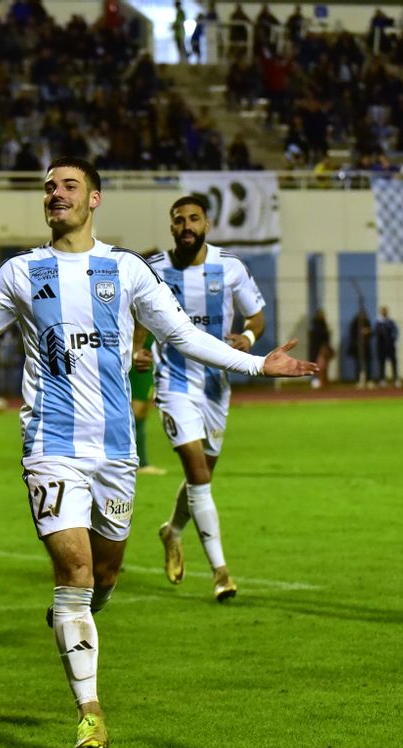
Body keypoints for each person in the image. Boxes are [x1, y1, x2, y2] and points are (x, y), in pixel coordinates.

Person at [0, 157, 316, 748]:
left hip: (114, 451)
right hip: (51, 447)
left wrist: (259, 364)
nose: (56, 193)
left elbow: (182, 337)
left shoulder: (127, 270)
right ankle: (91, 713)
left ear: (95, 199)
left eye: (68, 185)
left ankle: (72, 621)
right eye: (49, 187)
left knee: (103, 576)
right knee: (76, 572)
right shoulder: (22, 272)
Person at [142, 195, 266, 603]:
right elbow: (135, 316)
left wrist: (247, 338)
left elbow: (256, 317)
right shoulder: (155, 270)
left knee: (203, 476)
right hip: (174, 383)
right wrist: (136, 350)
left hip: (216, 386)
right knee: (197, 473)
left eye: (193, 218)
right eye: (178, 220)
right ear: (172, 227)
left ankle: (172, 530)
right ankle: (220, 572)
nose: (186, 226)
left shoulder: (229, 267)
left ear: (207, 224)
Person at [130, 331, 166, 476]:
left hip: (147, 354)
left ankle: (141, 462)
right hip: (138, 355)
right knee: (136, 411)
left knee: (141, 411)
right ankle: (132, 460)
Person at [374, 305, 400, 387]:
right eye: (383, 311)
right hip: (381, 346)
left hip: (390, 345)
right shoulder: (378, 322)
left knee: (393, 362)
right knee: (382, 363)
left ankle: (396, 379)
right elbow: (375, 333)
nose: (384, 312)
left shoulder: (391, 322)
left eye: (385, 311)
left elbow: (396, 331)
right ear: (380, 312)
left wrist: (394, 339)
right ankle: (382, 380)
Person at [347, 307, 372, 387]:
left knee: (368, 363)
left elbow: (371, 332)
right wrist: (360, 333)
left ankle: (368, 379)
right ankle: (358, 379)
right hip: (357, 347)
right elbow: (352, 334)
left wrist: (368, 332)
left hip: (366, 346)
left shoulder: (367, 321)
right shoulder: (355, 322)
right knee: (358, 364)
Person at [308, 308, 332, 389]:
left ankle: (323, 382)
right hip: (320, 350)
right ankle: (321, 382)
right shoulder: (319, 326)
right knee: (321, 367)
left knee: (322, 367)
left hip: (319, 349)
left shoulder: (316, 326)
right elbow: (322, 338)